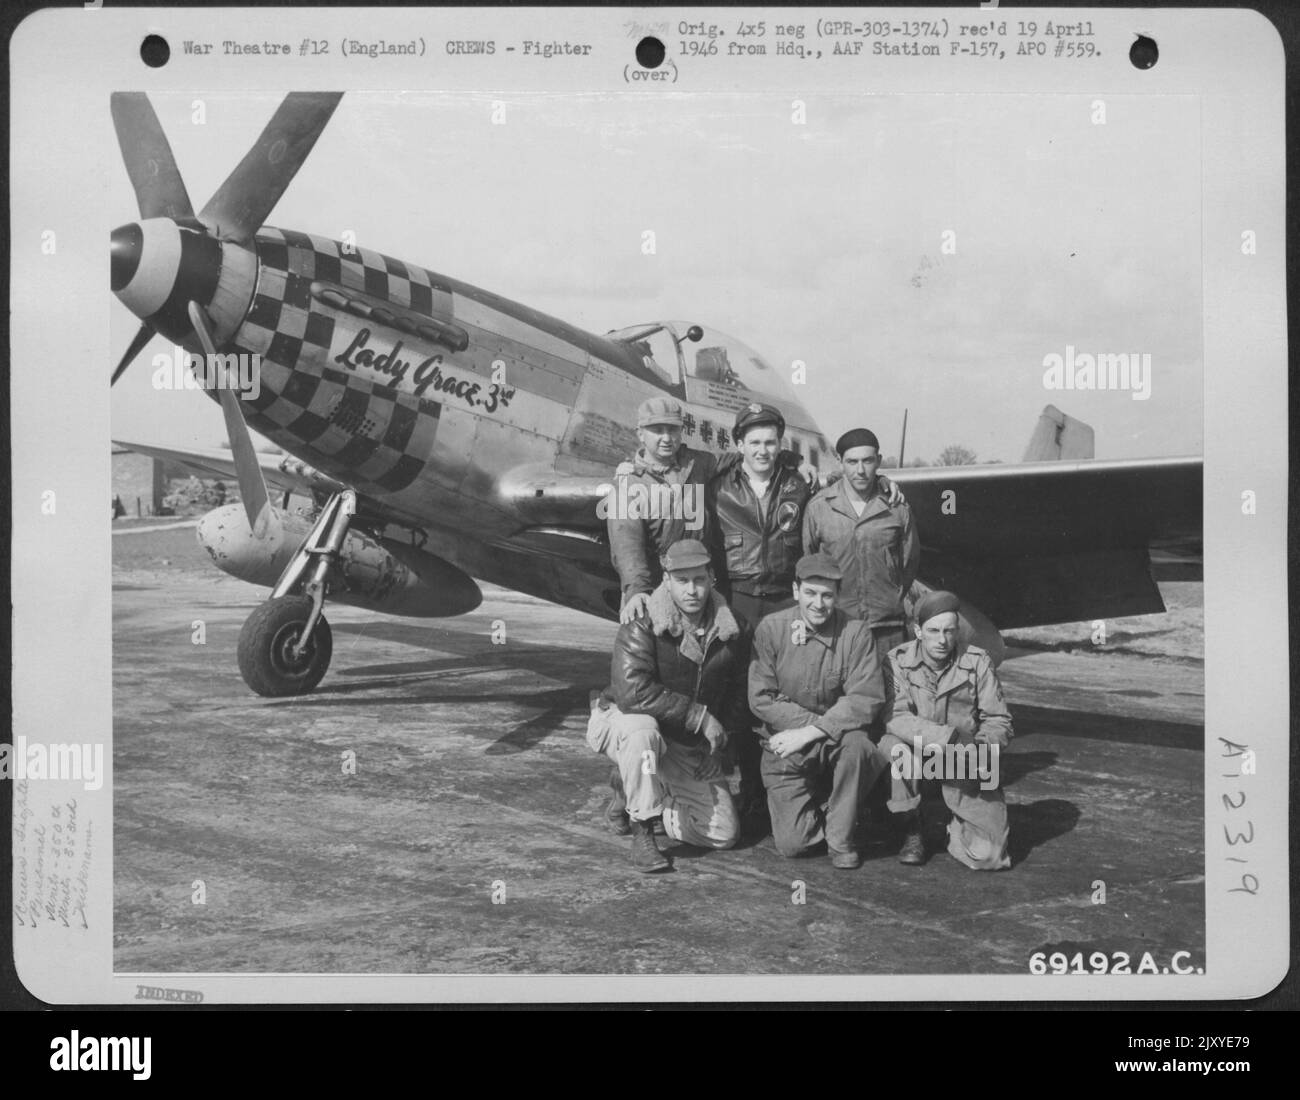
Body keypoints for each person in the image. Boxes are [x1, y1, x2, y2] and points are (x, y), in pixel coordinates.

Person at [587, 538, 748, 872]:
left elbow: (738, 693)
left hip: (679, 739)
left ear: (711, 579)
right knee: (642, 732)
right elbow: (632, 692)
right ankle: (643, 831)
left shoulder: (732, 627)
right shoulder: (641, 620)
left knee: (723, 834)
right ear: (667, 581)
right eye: (682, 580)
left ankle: (636, 791)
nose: (692, 590)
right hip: (620, 719)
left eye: (700, 579)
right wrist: (700, 718)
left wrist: (720, 746)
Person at [747, 553, 890, 869]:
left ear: (838, 596)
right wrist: (808, 730)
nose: (819, 603)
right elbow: (761, 698)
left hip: (835, 741)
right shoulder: (771, 628)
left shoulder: (856, 632)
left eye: (827, 595)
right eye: (810, 592)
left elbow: (865, 697)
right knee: (793, 844)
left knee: (861, 748)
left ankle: (841, 840)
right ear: (796, 590)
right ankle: (832, 805)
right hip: (786, 746)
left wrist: (812, 732)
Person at [880, 590, 1013, 870]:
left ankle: (953, 827)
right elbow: (895, 716)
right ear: (918, 631)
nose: (942, 640)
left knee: (990, 857)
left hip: (963, 759)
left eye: (949, 631)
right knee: (895, 748)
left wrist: (983, 749)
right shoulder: (897, 660)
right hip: (919, 752)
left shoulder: (978, 661)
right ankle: (911, 827)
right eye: (933, 631)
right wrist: (948, 738)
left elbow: (999, 720)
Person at [802, 427, 920, 653]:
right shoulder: (819, 507)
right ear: (840, 462)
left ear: (879, 461)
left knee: (890, 688)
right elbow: (808, 561)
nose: (860, 470)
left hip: (887, 627)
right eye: (852, 462)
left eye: (867, 461)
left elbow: (909, 562)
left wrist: (890, 598)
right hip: (835, 626)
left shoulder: (897, 507)